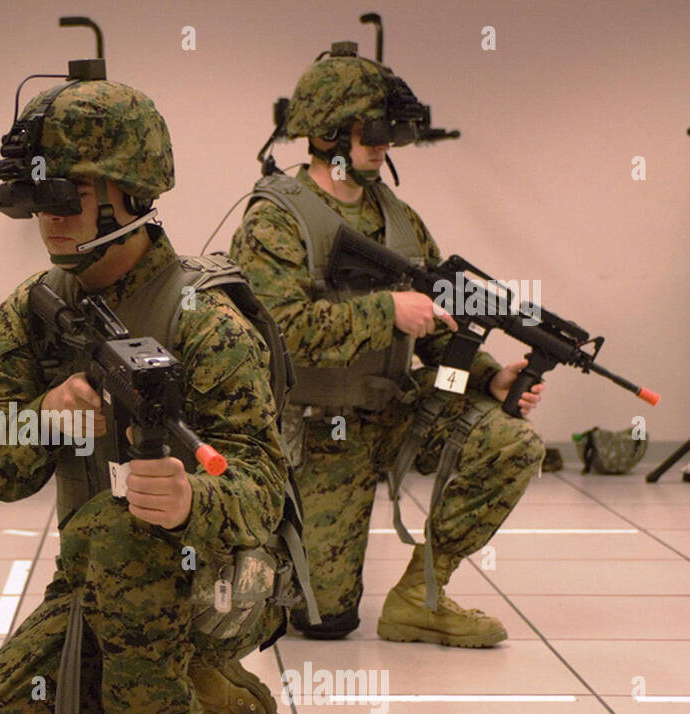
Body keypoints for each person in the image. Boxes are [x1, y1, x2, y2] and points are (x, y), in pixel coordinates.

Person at [0, 68, 306, 714]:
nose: (49, 215)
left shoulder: (205, 317)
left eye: (70, 193)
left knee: (131, 533)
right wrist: (41, 418)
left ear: (129, 194)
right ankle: (214, 696)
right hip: (102, 581)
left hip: (229, 574)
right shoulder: (33, 315)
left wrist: (193, 499)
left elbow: (265, 487)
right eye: (39, 194)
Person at [230, 42, 546, 648]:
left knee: (512, 441)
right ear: (326, 132)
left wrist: (488, 376)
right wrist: (386, 311)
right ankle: (268, 544)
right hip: (314, 429)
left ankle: (420, 598)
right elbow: (277, 329)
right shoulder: (276, 219)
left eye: (389, 132)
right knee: (323, 621)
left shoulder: (398, 218)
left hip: (396, 406)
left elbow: (439, 322)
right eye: (370, 131)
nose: (384, 145)